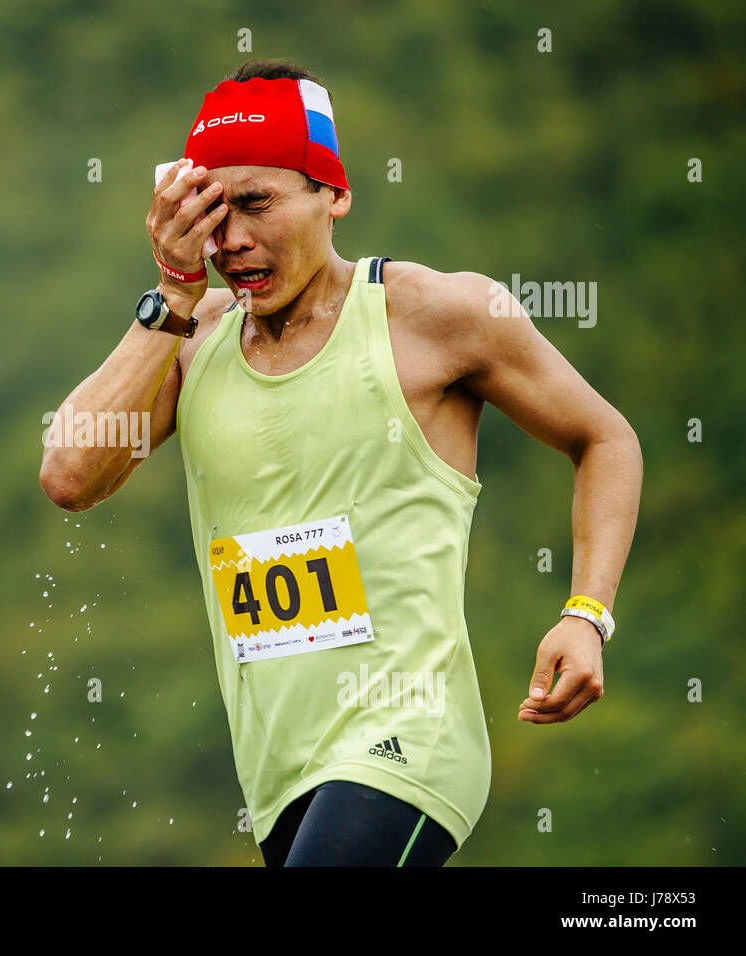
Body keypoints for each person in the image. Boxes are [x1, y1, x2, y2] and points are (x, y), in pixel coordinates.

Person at [38, 58, 642, 866]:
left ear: (335, 195)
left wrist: (586, 614)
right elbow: (71, 476)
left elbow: (605, 439)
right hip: (280, 774)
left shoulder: (437, 317)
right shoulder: (192, 339)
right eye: (211, 213)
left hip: (408, 742)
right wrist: (174, 293)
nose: (234, 240)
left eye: (257, 204)